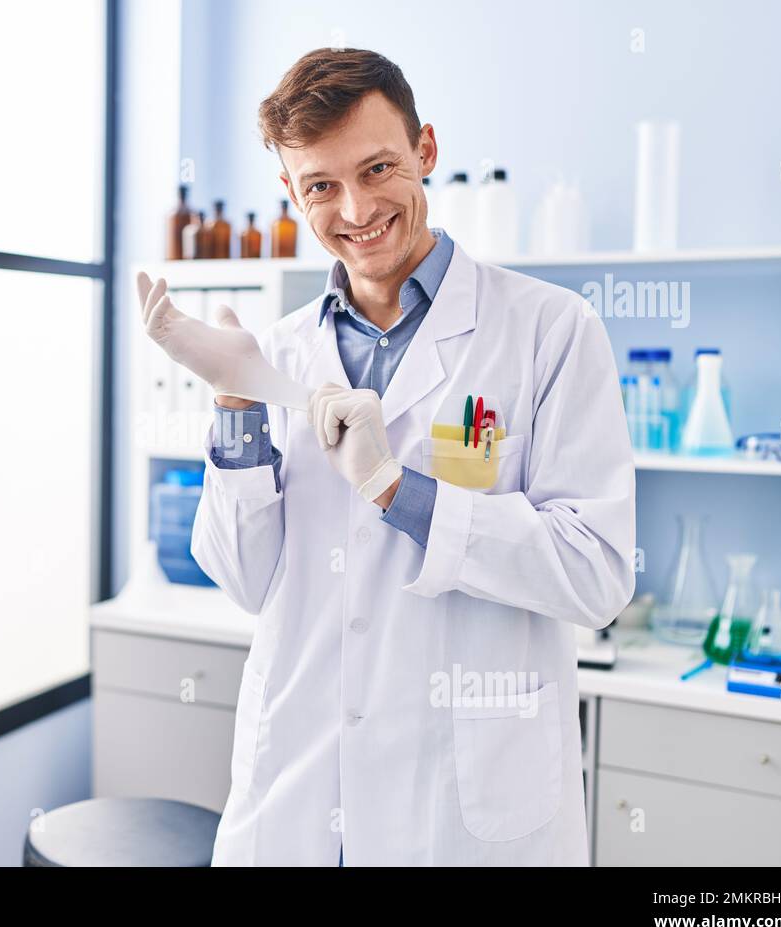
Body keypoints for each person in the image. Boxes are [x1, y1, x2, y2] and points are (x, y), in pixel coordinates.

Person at [137, 48, 634, 866]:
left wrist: (398, 489)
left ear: (426, 151)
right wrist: (235, 404)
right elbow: (242, 578)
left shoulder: (552, 329)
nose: (356, 208)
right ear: (293, 196)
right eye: (320, 186)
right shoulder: (276, 353)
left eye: (378, 168)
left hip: (462, 811)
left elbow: (598, 574)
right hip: (297, 798)